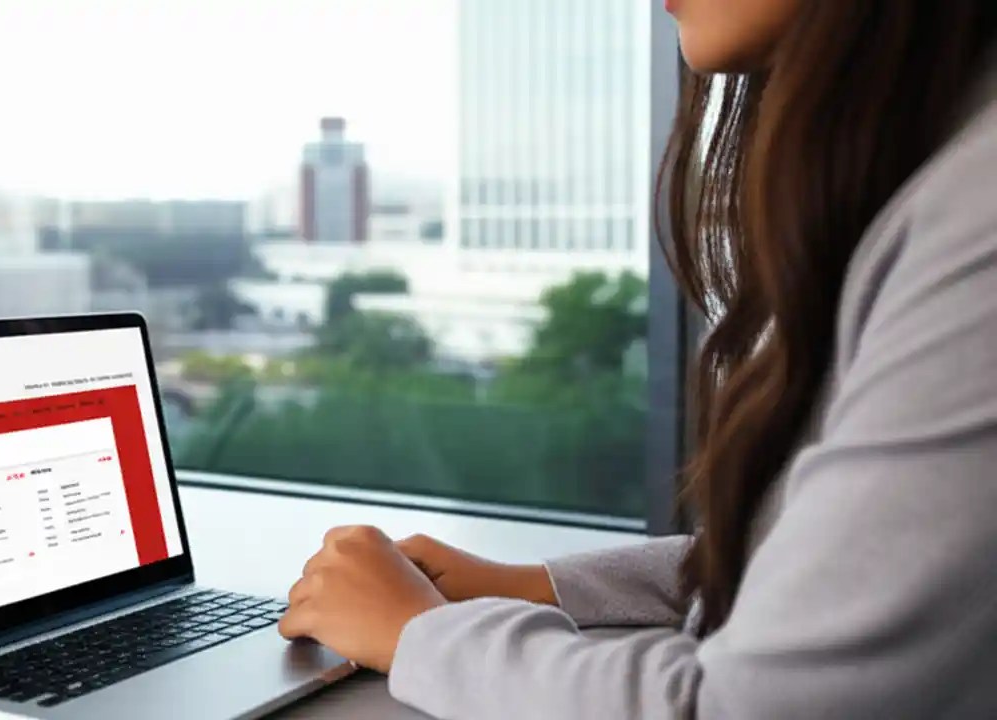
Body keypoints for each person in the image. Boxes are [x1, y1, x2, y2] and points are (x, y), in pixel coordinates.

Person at [277, 1, 997, 716]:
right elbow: (813, 570)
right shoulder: (932, 178)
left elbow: (747, 708)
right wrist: (531, 586)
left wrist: (420, 635)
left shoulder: (976, 221)